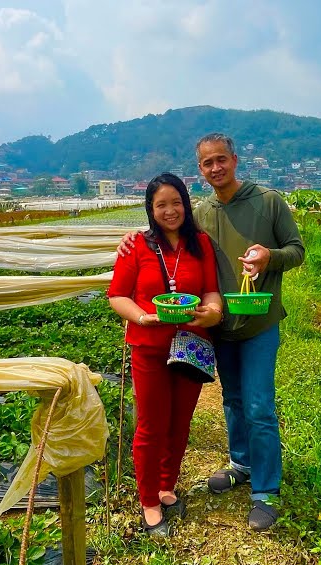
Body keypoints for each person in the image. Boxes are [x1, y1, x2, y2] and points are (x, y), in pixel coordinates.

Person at [119, 133, 305, 531]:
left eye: (222, 159)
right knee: (233, 400)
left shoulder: (269, 201)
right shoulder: (200, 214)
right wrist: (130, 238)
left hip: (258, 321)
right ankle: (241, 463)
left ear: (235, 160)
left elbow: (297, 251)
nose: (216, 168)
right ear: (200, 170)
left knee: (258, 406)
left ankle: (266, 489)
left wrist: (269, 257)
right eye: (207, 163)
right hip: (218, 328)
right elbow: (165, 228)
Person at [108, 173, 224, 536]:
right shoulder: (137, 246)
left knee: (179, 423)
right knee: (151, 425)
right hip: (149, 348)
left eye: (176, 202)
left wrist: (213, 311)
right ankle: (149, 501)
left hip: (190, 347)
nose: (170, 210)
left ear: (186, 204)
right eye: (161, 205)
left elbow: (210, 291)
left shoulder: (200, 244)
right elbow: (117, 295)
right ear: (151, 209)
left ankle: (166, 486)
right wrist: (143, 318)